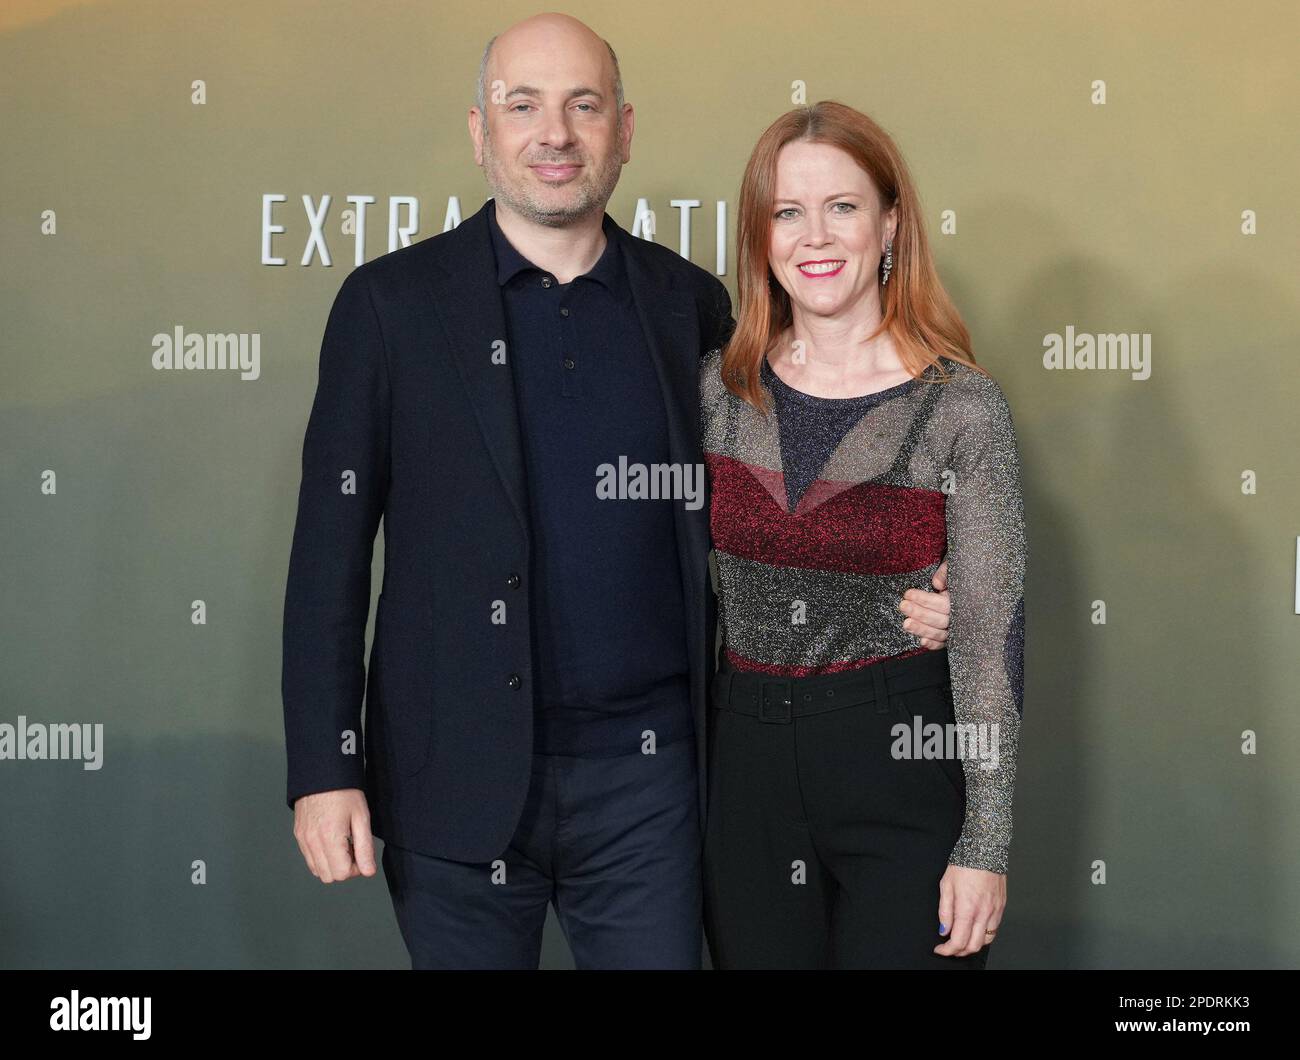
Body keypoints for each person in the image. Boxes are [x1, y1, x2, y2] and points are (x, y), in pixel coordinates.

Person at [282, 13, 954, 969]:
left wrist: (922, 598)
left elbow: (783, 515)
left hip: (653, 787)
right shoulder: (389, 307)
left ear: (624, 131)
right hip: (451, 782)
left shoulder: (692, 308)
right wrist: (323, 769)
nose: (554, 133)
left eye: (582, 105)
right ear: (481, 130)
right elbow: (327, 561)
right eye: (524, 105)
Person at [700, 101, 1027, 968]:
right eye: (788, 211)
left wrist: (985, 845)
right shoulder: (716, 393)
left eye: (842, 206)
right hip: (747, 772)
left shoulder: (961, 406)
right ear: (761, 237)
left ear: (890, 222)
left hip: (902, 759)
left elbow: (991, 639)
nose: (816, 235)